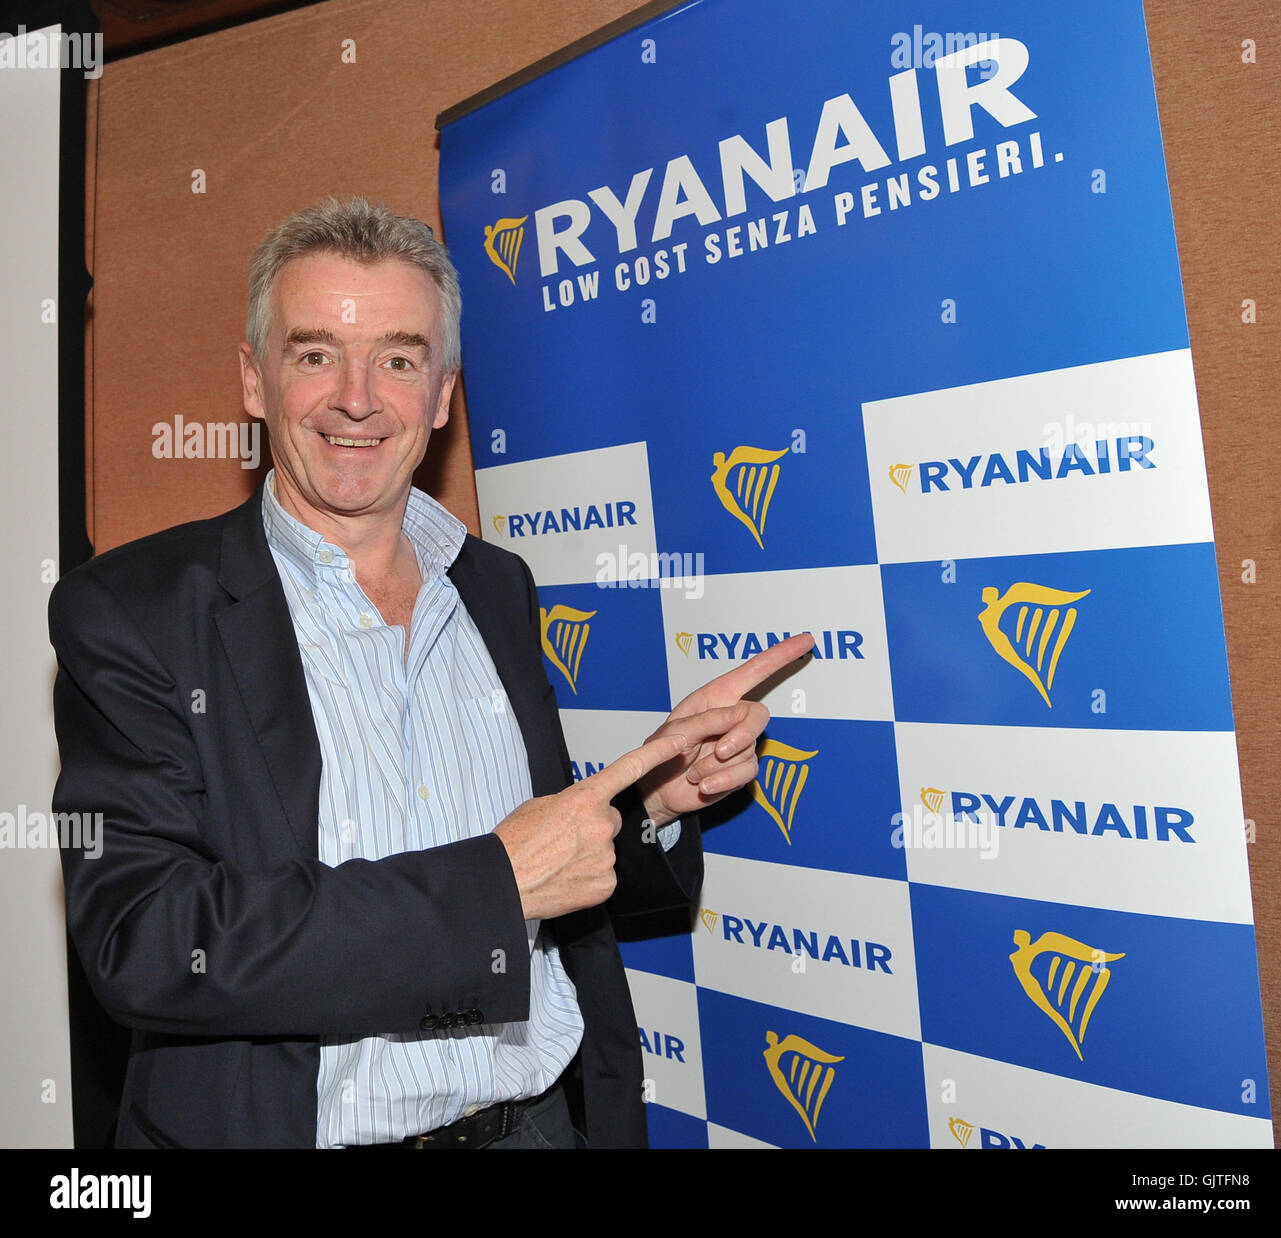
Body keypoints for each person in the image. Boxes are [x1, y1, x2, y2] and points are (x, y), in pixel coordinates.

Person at [49, 196, 812, 1149]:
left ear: (443, 393)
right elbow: (150, 939)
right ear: (254, 381)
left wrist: (649, 797)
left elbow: (543, 862)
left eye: (399, 359)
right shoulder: (138, 610)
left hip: (538, 1127)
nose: (357, 396)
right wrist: (495, 885)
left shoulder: (498, 585)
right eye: (315, 352)